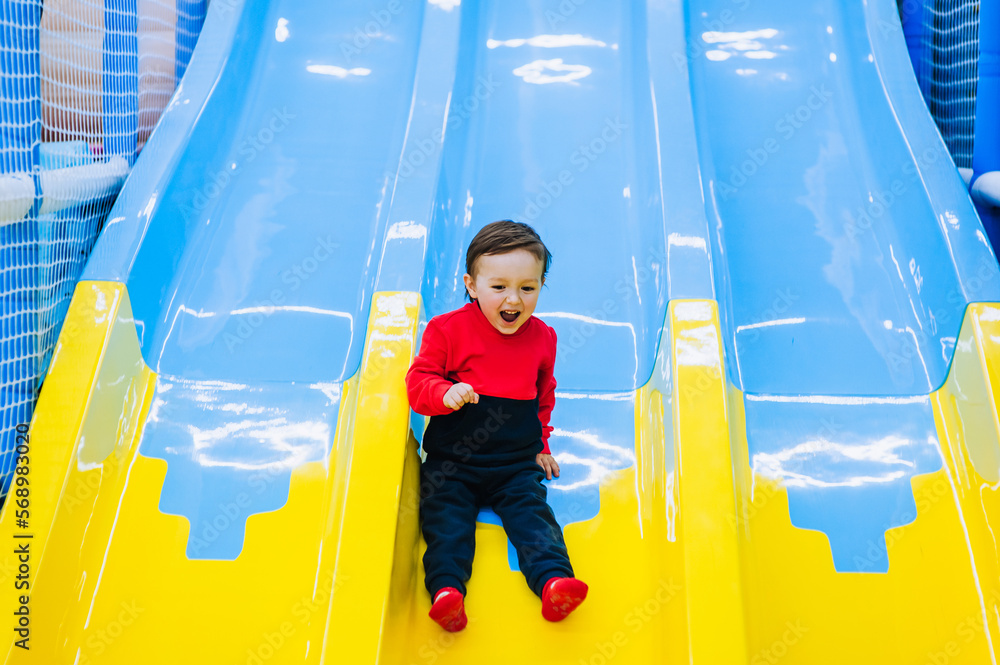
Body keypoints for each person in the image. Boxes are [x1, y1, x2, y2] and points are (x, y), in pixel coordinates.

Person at [405, 220, 588, 632]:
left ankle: (554, 582)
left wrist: (541, 445)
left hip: (514, 464)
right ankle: (447, 591)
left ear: (541, 285)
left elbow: (543, 394)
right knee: (445, 520)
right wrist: (443, 393)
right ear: (471, 285)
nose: (514, 299)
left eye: (528, 287)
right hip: (454, 461)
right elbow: (418, 384)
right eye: (499, 286)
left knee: (534, 517)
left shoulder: (543, 337)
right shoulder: (447, 330)